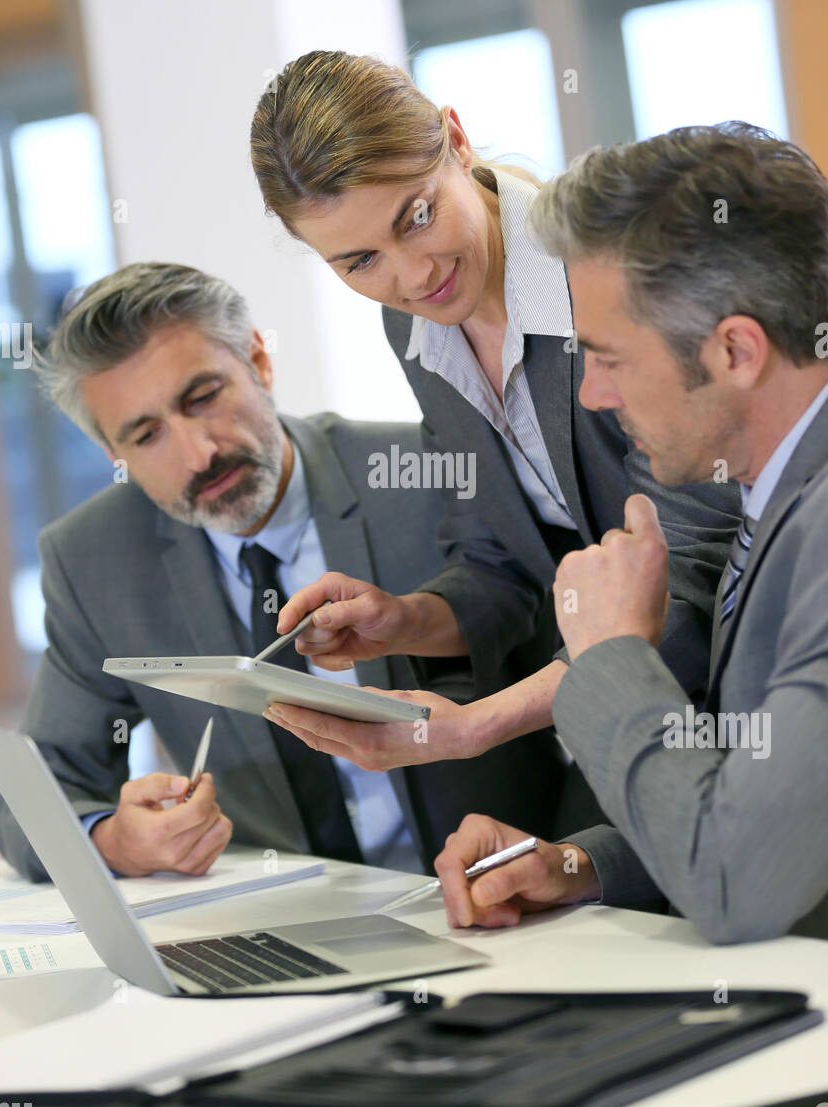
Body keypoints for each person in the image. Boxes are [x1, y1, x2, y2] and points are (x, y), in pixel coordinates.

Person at [248, 51, 740, 804]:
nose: (413, 276)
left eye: (417, 215)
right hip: (630, 720)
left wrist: (475, 725)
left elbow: (691, 573)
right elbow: (501, 562)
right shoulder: (414, 325)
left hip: (748, 699)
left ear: (457, 137)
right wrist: (403, 619)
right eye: (359, 262)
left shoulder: (613, 268)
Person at [0, 263, 572, 882]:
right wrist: (115, 841)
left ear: (259, 361)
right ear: (114, 454)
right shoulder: (94, 561)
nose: (200, 453)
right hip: (282, 927)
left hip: (503, 897)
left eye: (204, 397)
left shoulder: (429, 473)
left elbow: (590, 659)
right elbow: (26, 804)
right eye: (147, 434)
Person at [433, 122, 828, 946]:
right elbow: (794, 809)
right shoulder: (785, 486)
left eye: (609, 358)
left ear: (736, 349)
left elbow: (737, 877)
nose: (590, 396)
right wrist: (580, 866)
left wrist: (612, 651)